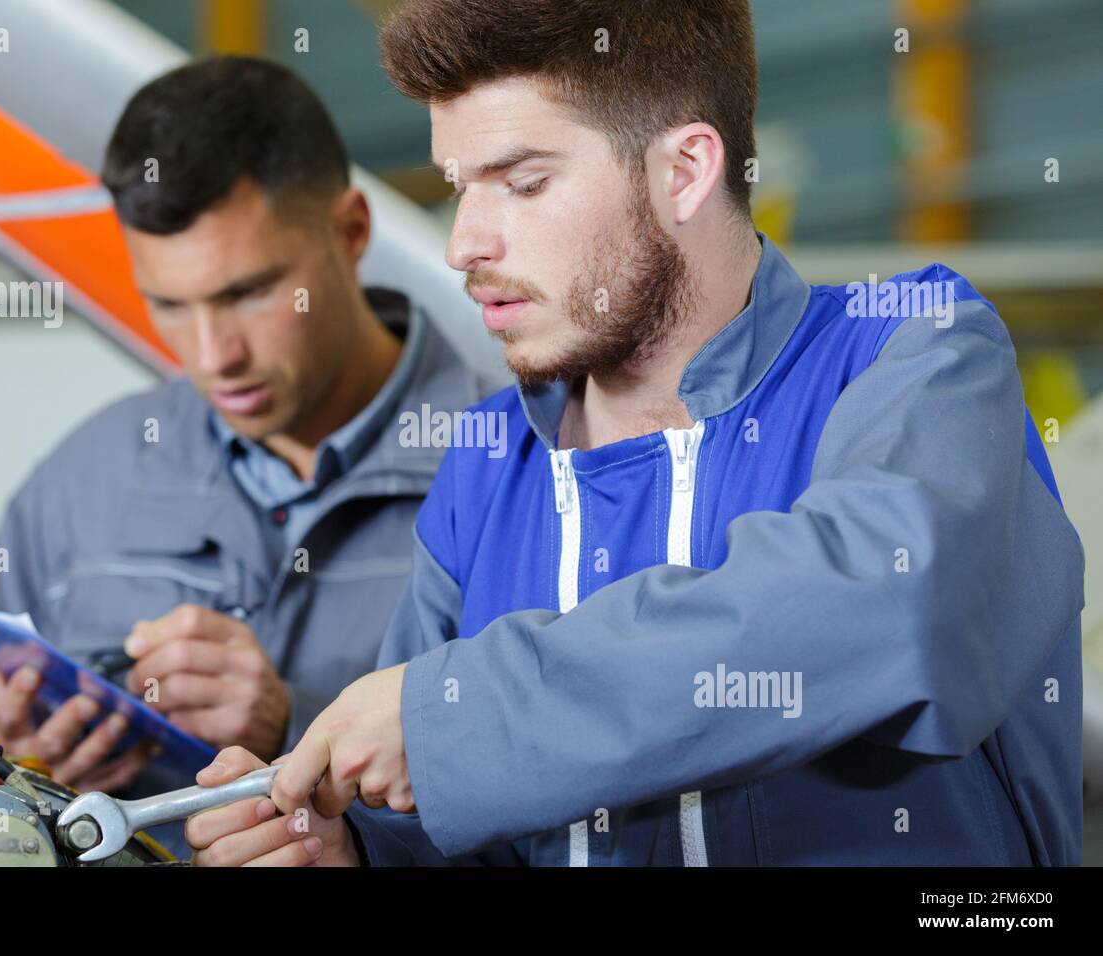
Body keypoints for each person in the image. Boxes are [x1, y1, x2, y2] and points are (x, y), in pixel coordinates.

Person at [186, 0, 1084, 867]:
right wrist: (351, 849)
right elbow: (448, 822)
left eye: (525, 182)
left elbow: (880, 606)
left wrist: (452, 717)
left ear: (686, 170)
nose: (463, 243)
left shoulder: (918, 353)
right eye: (461, 189)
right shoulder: (493, 459)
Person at [0, 56, 489, 855]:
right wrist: (16, 756)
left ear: (352, 231)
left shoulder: (523, 470)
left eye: (249, 293)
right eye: (169, 304)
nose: (214, 354)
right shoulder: (76, 485)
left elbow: (567, 804)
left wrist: (292, 726)